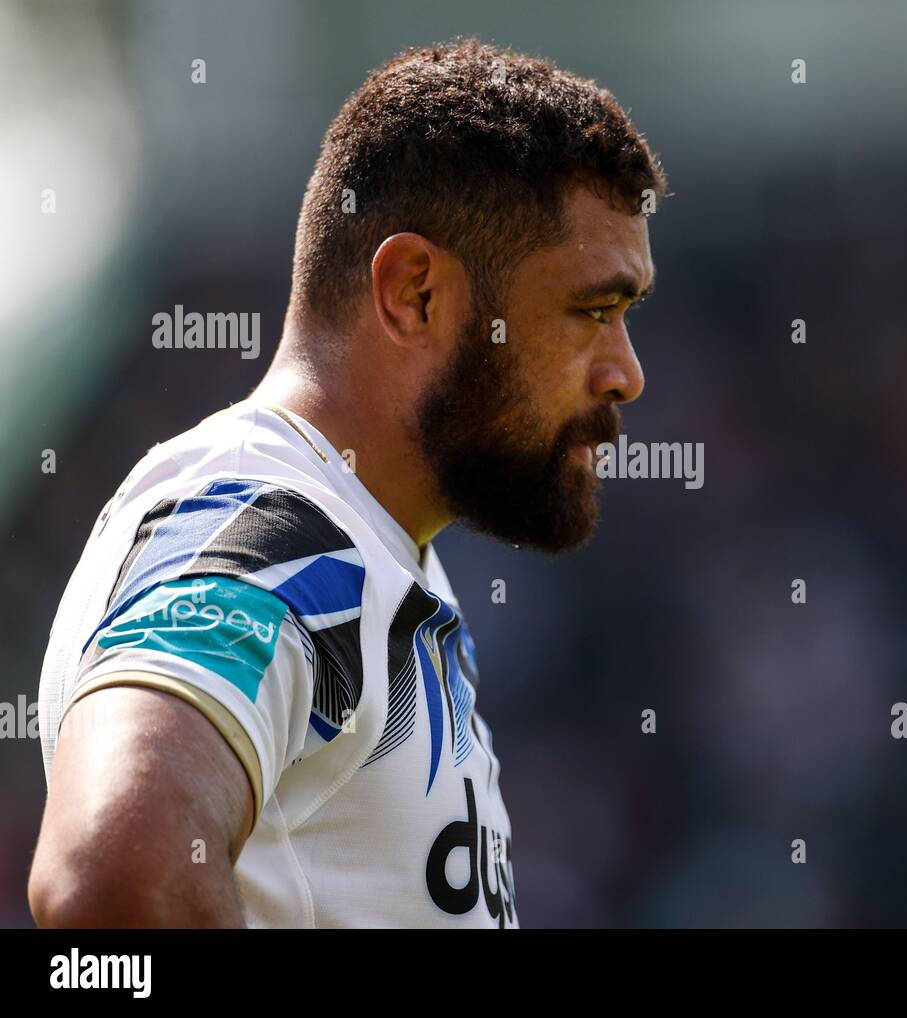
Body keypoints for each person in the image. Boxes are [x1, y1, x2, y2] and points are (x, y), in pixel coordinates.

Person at [28, 37, 666, 928]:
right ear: (414, 294)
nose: (626, 373)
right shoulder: (272, 534)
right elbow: (109, 877)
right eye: (591, 312)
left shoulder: (367, 549)